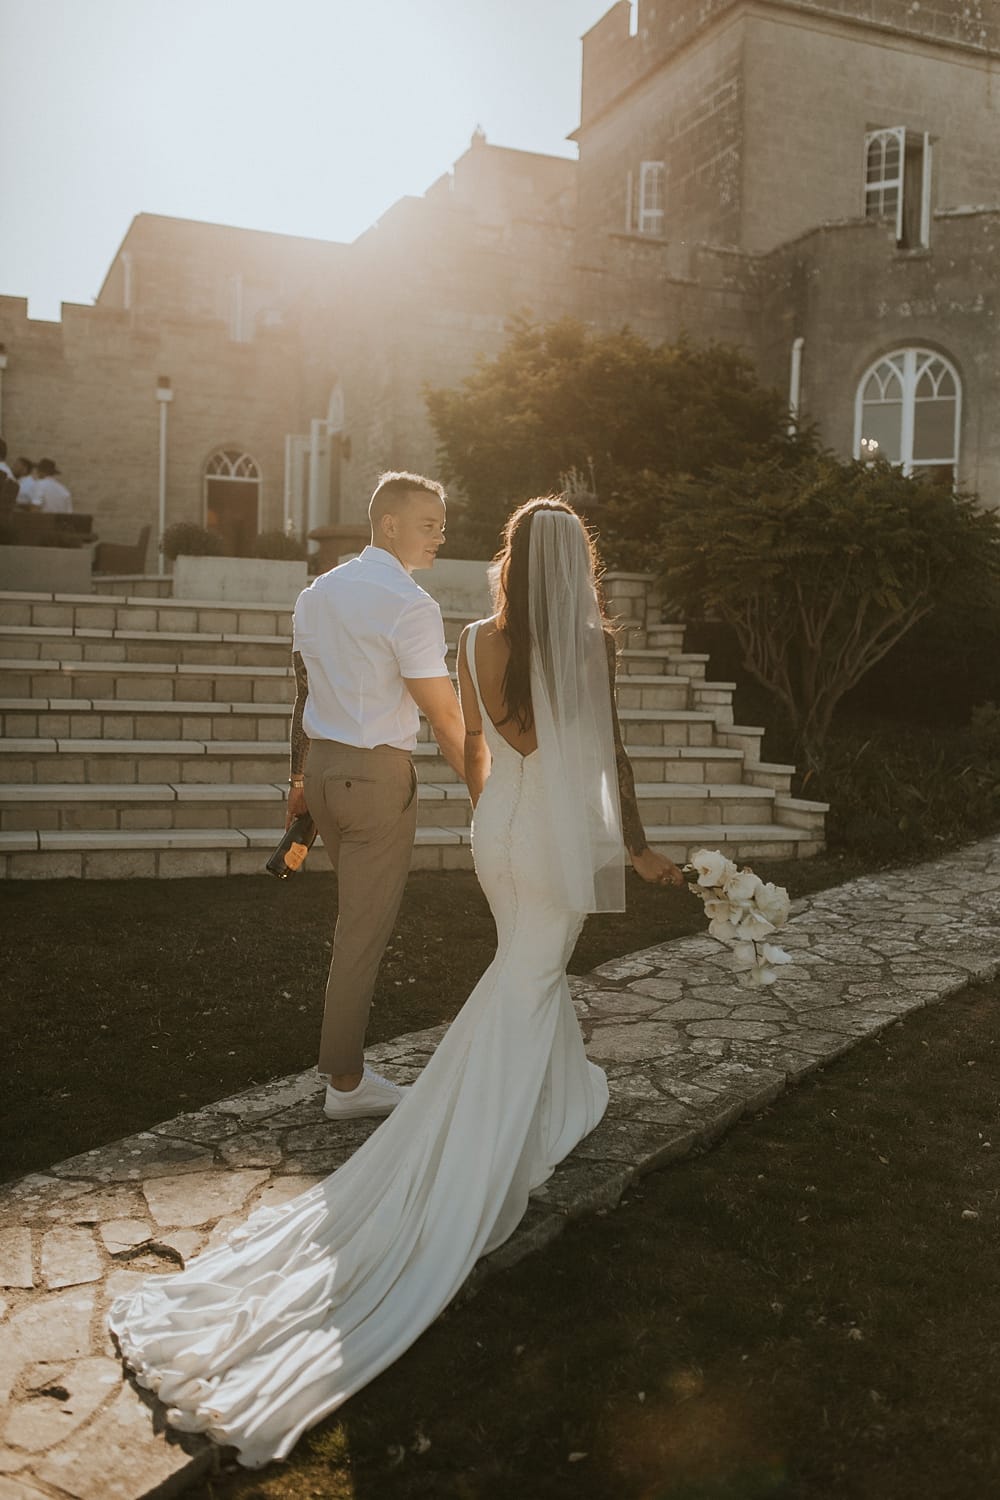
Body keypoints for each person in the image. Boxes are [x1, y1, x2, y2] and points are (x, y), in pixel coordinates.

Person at [108, 497, 685, 1470]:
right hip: (548, 834)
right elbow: (606, 758)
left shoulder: (472, 638)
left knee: (526, 978)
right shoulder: (587, 643)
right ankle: (470, 1152)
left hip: (499, 833)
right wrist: (635, 848)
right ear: (574, 562)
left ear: (512, 559)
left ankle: (559, 1098)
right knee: (527, 983)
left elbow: (481, 753)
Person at [287, 470, 466, 1118]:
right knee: (362, 930)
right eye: (429, 523)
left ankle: (346, 1075)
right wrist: (487, 787)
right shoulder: (410, 603)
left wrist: (300, 779)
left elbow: (303, 692)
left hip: (327, 772)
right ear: (388, 523)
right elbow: (445, 718)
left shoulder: (317, 593)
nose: (440, 535)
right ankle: (346, 1083)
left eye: (443, 524)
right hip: (373, 776)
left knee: (354, 922)